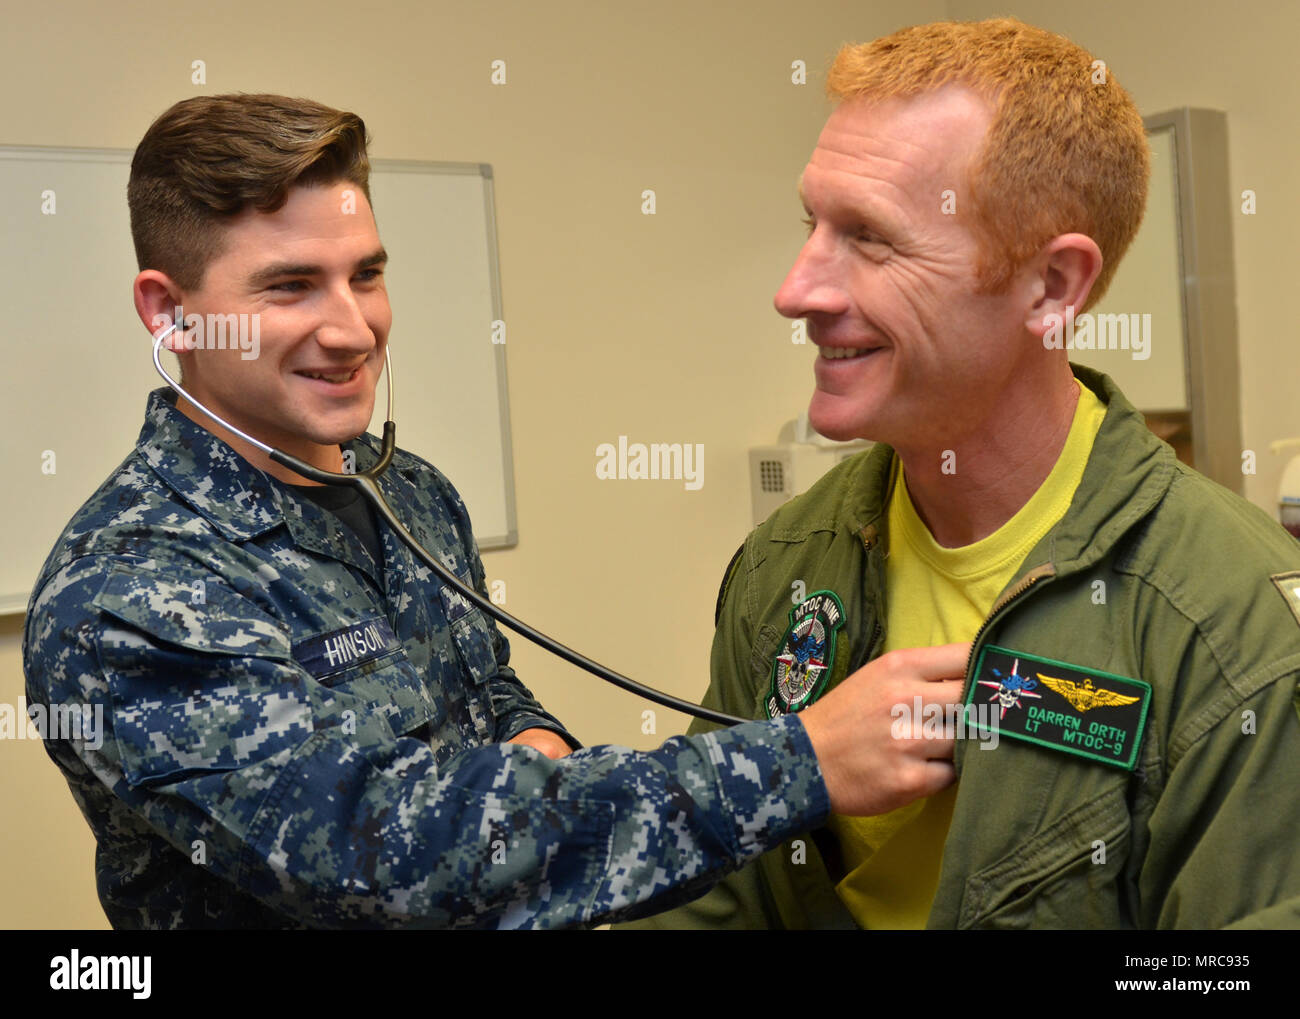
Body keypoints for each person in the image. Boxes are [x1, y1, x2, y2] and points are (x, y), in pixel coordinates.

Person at [21, 93, 966, 930]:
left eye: (367, 274)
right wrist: (803, 761)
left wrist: (531, 734)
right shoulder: (129, 588)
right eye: (290, 285)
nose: (354, 328)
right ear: (169, 312)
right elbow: (380, 850)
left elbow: (483, 690)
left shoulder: (412, 493)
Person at [621, 17, 1300, 929]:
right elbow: (714, 897)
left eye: (871, 238)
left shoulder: (1230, 626)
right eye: (812, 224)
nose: (797, 290)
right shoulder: (787, 564)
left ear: (1053, 287)